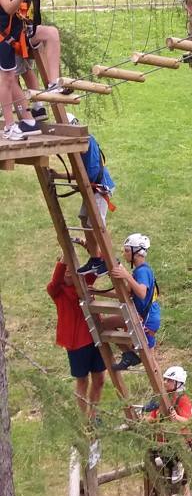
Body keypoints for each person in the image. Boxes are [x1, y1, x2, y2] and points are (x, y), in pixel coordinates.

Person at [47, 255, 103, 416]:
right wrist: (66, 253)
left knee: (99, 379)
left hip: (95, 338)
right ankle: (82, 419)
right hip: (76, 343)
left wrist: (88, 246)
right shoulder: (56, 290)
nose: (69, 274)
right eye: (66, 271)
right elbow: (57, 278)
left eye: (72, 270)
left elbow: (99, 261)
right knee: (82, 382)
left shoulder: (85, 283)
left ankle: (93, 415)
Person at [0, 0, 43, 141]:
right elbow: (9, 8)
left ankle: (13, 124)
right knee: (7, 81)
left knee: (9, 80)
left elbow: (30, 11)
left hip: (13, 38)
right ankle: (9, 125)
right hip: (3, 37)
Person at [64, 114, 115, 276]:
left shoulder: (85, 140)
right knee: (84, 219)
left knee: (97, 224)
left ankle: (110, 260)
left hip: (100, 187)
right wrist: (58, 174)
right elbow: (81, 172)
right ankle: (95, 259)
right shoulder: (80, 144)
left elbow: (87, 172)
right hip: (91, 188)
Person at [143, 365, 192, 496]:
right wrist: (141, 419)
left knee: (179, 471)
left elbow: (185, 420)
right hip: (163, 442)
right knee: (170, 464)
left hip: (177, 441)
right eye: (164, 379)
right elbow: (153, 418)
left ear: (177, 383)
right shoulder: (161, 399)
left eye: (169, 380)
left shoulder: (181, 399)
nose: (164, 382)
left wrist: (175, 417)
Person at [109, 233, 160, 370]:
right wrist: (97, 291)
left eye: (127, 251)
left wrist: (127, 277)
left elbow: (142, 293)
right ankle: (128, 355)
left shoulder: (142, 271)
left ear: (137, 253)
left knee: (150, 361)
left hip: (146, 319)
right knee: (150, 360)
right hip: (148, 317)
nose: (125, 254)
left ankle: (128, 354)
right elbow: (127, 293)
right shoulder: (139, 271)